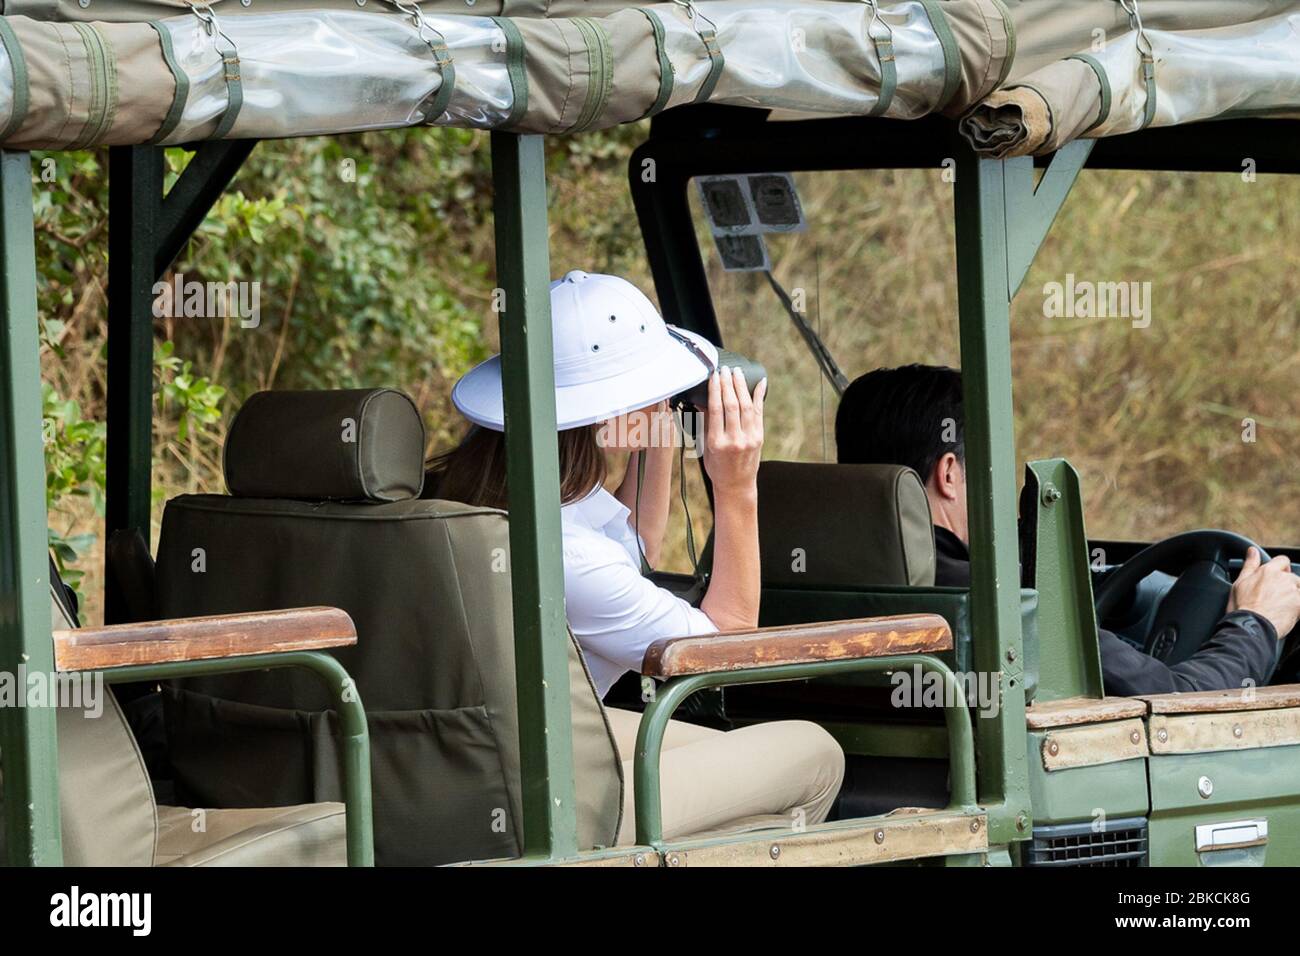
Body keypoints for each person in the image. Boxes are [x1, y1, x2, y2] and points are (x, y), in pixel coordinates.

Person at [431, 270, 844, 844]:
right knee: (815, 754)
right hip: (537, 799)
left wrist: (654, 431)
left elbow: (630, 557)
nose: (662, 397)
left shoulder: (468, 499)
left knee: (722, 763)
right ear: (607, 413)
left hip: (462, 762)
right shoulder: (570, 552)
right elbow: (724, 646)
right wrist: (736, 486)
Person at [835, 364, 1300, 696]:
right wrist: (1255, 623)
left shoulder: (822, 585)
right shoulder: (989, 607)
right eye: (992, 465)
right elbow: (1175, 701)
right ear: (951, 474)